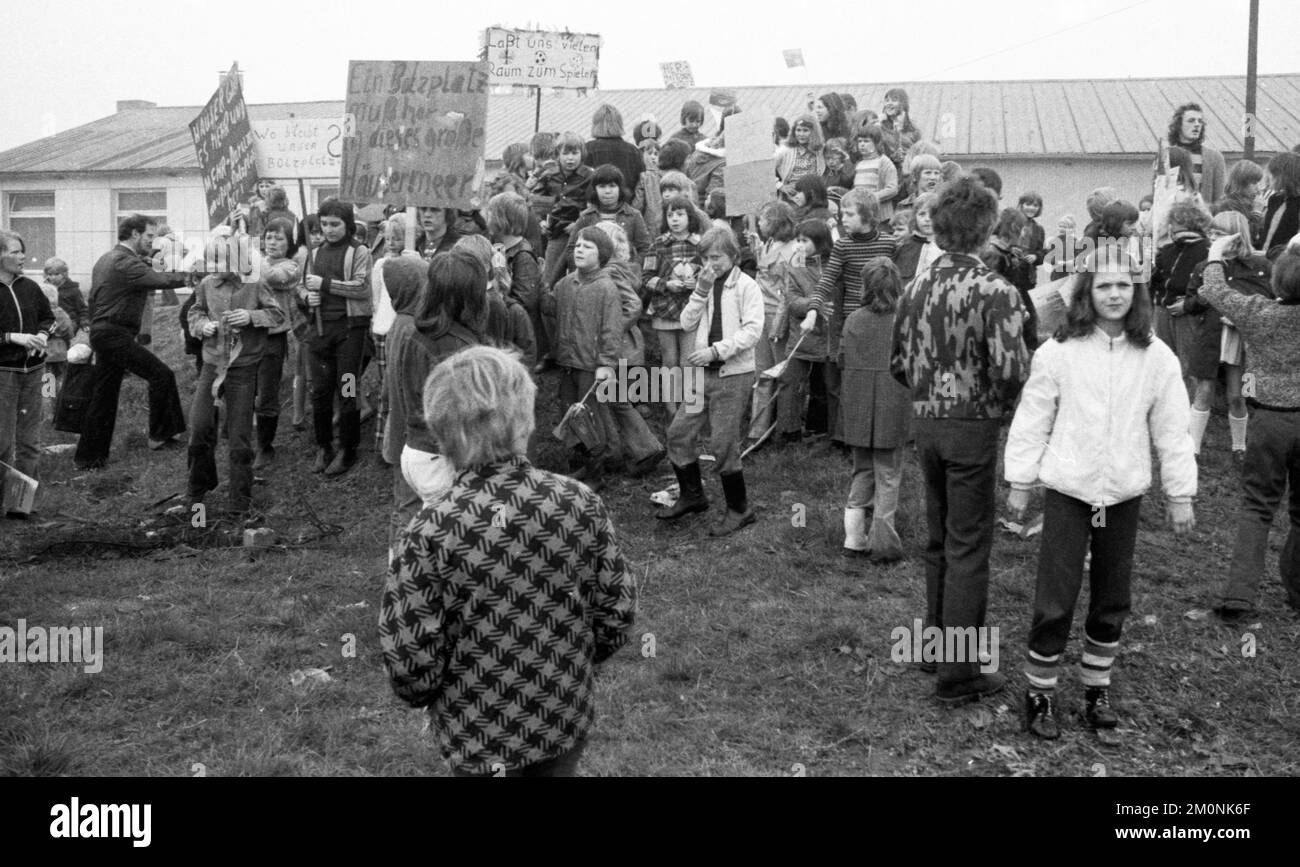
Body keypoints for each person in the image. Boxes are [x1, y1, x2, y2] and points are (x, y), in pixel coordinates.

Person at [380, 344, 634, 777]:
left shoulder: (427, 533)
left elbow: (410, 661)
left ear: (439, 431)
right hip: (563, 714)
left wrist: (435, 693)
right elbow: (615, 614)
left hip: (475, 730)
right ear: (525, 419)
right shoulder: (576, 501)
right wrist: (567, 662)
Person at [1006, 246, 1196, 739]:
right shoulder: (1060, 351)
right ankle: (1040, 691)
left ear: (1136, 292)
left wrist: (1181, 493)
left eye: (1123, 285)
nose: (1114, 294)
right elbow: (1033, 417)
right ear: (1086, 292)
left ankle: (1097, 688)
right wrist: (1021, 481)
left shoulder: (1156, 356)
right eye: (1103, 285)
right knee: (1056, 595)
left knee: (1112, 595)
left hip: (1122, 495)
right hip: (1070, 491)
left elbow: (1173, 429)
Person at [890, 176, 1032, 702]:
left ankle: (934, 646)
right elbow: (1013, 369)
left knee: (940, 538)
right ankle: (960, 671)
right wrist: (996, 402)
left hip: (925, 423)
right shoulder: (997, 290)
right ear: (987, 229)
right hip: (973, 425)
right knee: (969, 545)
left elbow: (898, 365)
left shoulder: (914, 287)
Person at [1199, 235, 1300, 619]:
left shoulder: (1258, 313)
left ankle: (1239, 596)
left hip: (1269, 421)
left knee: (1257, 508)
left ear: (1277, 281)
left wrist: (1213, 254)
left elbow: (1213, 290)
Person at [656, 226, 764, 536]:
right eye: (705, 257)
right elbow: (687, 321)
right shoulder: (706, 284)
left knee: (722, 442)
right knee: (678, 433)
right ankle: (693, 496)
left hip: (732, 373)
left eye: (716, 257)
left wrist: (717, 351)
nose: (710, 263)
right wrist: (701, 291)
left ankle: (740, 509)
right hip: (702, 374)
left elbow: (753, 331)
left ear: (733, 256)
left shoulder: (746, 286)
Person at [74, 214, 190, 470]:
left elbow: (95, 300)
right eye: (149, 236)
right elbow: (164, 280)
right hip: (115, 334)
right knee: (162, 374)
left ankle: (89, 458)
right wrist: (197, 272)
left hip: (104, 333)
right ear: (135, 234)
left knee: (104, 395)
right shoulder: (125, 262)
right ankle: (161, 437)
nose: (152, 241)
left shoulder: (108, 258)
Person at [554, 227, 662, 490]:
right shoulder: (568, 283)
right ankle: (623, 453)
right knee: (594, 405)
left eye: (587, 246)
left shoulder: (606, 283)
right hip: (573, 359)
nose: (579, 249)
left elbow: (623, 315)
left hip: (600, 358)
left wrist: (605, 357)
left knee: (599, 408)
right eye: (577, 245)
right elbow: (550, 303)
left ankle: (603, 464)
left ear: (602, 254)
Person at [186, 233, 286, 516]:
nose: (212, 265)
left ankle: (239, 505)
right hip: (212, 365)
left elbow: (278, 315)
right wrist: (201, 325)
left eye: (219, 259)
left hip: (243, 369)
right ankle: (197, 492)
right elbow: (194, 312)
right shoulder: (206, 284)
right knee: (199, 428)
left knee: (239, 439)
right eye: (210, 259)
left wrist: (251, 317)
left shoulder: (255, 283)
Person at [389, 251, 485, 538]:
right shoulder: (456, 347)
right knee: (457, 536)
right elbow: (459, 416)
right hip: (443, 457)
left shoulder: (415, 332)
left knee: (415, 526)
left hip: (415, 449)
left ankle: (401, 576)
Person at [805, 189, 897, 446]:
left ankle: (880, 434)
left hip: (883, 321)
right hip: (852, 321)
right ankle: (845, 437)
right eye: (842, 212)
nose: (843, 218)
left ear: (867, 215)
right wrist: (813, 309)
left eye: (849, 213)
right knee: (849, 380)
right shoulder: (843, 246)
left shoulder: (890, 244)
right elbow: (827, 279)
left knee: (879, 379)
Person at [1183, 210, 1272, 462]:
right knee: (1204, 391)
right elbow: (1190, 304)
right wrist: (1201, 297)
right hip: (1209, 340)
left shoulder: (1260, 267)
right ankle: (1192, 449)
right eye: (1211, 232)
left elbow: (1267, 303)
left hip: (1242, 344)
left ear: (1236, 236)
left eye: (1219, 233)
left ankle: (1240, 447)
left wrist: (1240, 317)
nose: (1213, 238)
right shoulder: (1204, 266)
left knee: (1240, 394)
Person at [840, 259, 912, 562]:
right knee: (888, 474)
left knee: (862, 470)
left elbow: (842, 358)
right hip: (892, 404)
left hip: (857, 404)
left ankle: (853, 539)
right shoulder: (904, 320)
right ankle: (883, 543)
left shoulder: (853, 319)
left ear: (864, 286)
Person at [299, 199, 373, 477]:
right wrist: (308, 296)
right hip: (319, 331)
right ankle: (324, 445)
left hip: (350, 330)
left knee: (348, 388)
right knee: (319, 392)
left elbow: (362, 288)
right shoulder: (315, 253)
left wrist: (326, 285)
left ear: (348, 225)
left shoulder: (359, 251)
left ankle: (348, 448)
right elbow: (302, 287)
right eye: (324, 224)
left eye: (335, 224)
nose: (329, 230)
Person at [0, 230, 54, 519]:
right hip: (3, 373)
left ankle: (20, 506)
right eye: (14, 252)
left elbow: (49, 318)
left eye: (23, 251)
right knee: (2, 444)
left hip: (34, 371)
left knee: (30, 441)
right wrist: (12, 337)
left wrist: (42, 336)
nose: (22, 256)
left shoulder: (30, 287)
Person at [745, 201, 802, 449]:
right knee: (761, 371)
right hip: (761, 313)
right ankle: (758, 431)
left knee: (783, 373)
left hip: (779, 317)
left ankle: (786, 428)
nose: (759, 222)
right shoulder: (768, 243)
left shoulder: (795, 250)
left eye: (764, 219)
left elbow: (789, 291)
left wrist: (779, 324)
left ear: (777, 223)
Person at [644, 197, 704, 418]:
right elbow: (646, 278)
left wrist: (697, 284)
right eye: (670, 215)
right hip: (664, 309)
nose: (675, 219)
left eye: (680, 214)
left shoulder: (701, 244)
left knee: (688, 360)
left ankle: (691, 408)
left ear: (690, 217)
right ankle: (672, 409)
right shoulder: (658, 245)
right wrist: (666, 284)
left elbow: (710, 275)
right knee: (669, 361)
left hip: (691, 310)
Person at [250, 219, 301, 470]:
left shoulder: (290, 267)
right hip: (248, 333)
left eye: (279, 238)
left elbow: (271, 276)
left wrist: (245, 255)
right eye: (269, 237)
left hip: (272, 336)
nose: (272, 243)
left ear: (289, 243)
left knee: (267, 394)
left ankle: (265, 446)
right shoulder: (254, 260)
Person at [779, 219, 834, 439]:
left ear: (820, 242)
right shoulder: (796, 265)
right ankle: (788, 430)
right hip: (801, 332)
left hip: (828, 335)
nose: (799, 245)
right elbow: (792, 300)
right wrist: (814, 304)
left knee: (822, 385)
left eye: (805, 240)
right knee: (790, 382)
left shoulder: (834, 263)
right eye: (797, 240)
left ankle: (818, 428)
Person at [1151, 199, 1212, 383]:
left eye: (1175, 222)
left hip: (1189, 314)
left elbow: (1210, 287)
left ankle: (1187, 407)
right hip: (1163, 311)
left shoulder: (1207, 250)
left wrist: (1187, 305)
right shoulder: (1167, 250)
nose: (1171, 227)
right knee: (1162, 364)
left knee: (1188, 367)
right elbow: (1157, 280)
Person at [562, 165, 651, 277]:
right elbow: (571, 249)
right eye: (602, 186)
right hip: (592, 277)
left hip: (623, 276)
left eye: (612, 186)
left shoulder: (633, 215)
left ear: (620, 188)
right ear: (595, 190)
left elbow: (645, 248)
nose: (607, 191)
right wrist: (584, 270)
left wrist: (632, 268)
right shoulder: (586, 216)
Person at [536, 131, 594, 294]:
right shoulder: (549, 175)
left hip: (580, 235)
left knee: (580, 280)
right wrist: (540, 220)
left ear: (581, 154)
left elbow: (593, 206)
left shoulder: (589, 176)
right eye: (566, 153)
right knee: (550, 280)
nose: (570, 158)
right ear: (557, 155)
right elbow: (537, 201)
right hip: (556, 234)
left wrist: (578, 224)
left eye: (574, 153)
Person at [982, 208, 1038, 350]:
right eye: (1024, 228)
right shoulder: (994, 254)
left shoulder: (1006, 251)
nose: (1026, 233)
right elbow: (991, 294)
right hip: (1002, 321)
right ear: (1015, 228)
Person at [1168, 103, 1226, 204]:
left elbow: (1219, 199)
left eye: (1200, 121)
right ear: (1179, 125)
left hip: (1203, 217)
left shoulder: (1214, 158)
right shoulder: (1166, 155)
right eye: (1191, 121)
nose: (1197, 124)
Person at [583, 104, 644, 197]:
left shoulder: (586, 149)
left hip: (593, 206)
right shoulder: (634, 151)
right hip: (627, 206)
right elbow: (640, 184)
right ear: (619, 124)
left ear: (595, 124)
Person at [851, 124, 900, 225]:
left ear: (877, 143)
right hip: (863, 214)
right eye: (860, 141)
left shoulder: (884, 162)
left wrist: (872, 197)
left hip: (881, 217)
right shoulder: (859, 164)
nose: (862, 145)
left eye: (866, 141)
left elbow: (892, 189)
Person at [776, 115, 826, 204]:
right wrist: (780, 186)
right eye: (798, 130)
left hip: (813, 196)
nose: (801, 134)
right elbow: (766, 170)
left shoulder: (820, 150)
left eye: (805, 130)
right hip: (791, 197)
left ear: (813, 132)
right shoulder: (786, 150)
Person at [1259, 151, 1300, 258]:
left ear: (1282, 177)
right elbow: (1266, 233)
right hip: (1264, 258)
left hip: (1286, 263)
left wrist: (1269, 254)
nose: (1268, 178)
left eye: (1272, 174)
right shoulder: (1275, 199)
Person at [1213, 160, 1266, 240]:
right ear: (1241, 183)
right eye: (1254, 183)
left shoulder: (1247, 203)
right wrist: (1257, 213)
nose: (1258, 189)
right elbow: (1246, 236)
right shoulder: (1228, 206)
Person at [880, 88, 920, 191]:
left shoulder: (914, 130)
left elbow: (919, 154)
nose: (889, 103)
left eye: (894, 100)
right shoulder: (880, 128)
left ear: (903, 103)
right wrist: (891, 157)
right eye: (887, 100)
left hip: (908, 177)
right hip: (887, 177)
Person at [1017, 192, 1047, 273]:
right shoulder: (1010, 222)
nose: (1031, 208)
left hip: (1027, 274)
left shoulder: (1039, 229)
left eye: (1035, 205)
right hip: (1006, 271)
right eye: (1028, 204)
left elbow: (1042, 252)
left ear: (1039, 208)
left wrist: (1036, 256)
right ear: (1021, 205)